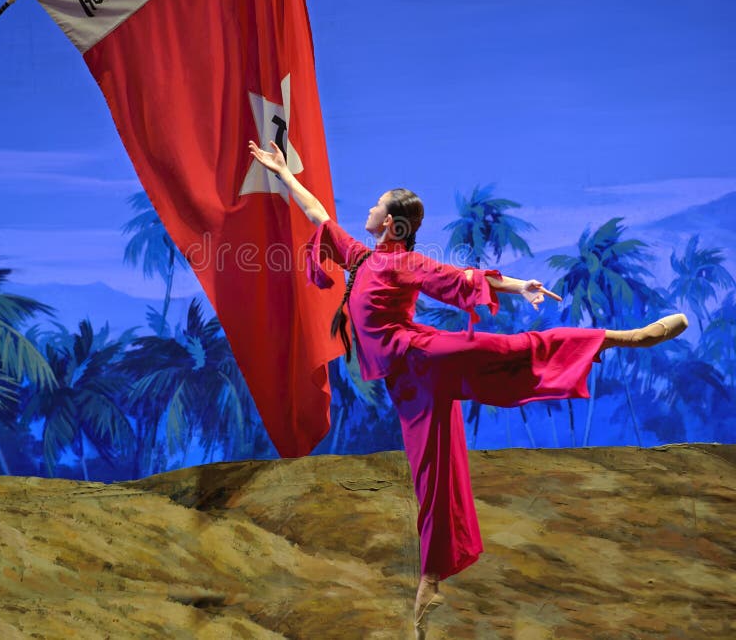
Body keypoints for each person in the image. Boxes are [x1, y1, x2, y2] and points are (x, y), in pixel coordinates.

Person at [248, 140, 688, 639]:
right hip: (406, 385)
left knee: (511, 350)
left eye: (376, 204)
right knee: (431, 472)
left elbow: (462, 277)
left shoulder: (406, 263)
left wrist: (520, 285)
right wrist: (283, 173)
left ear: (390, 223)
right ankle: (430, 580)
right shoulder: (362, 259)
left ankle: (621, 338)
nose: (367, 209)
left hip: (425, 356)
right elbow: (318, 215)